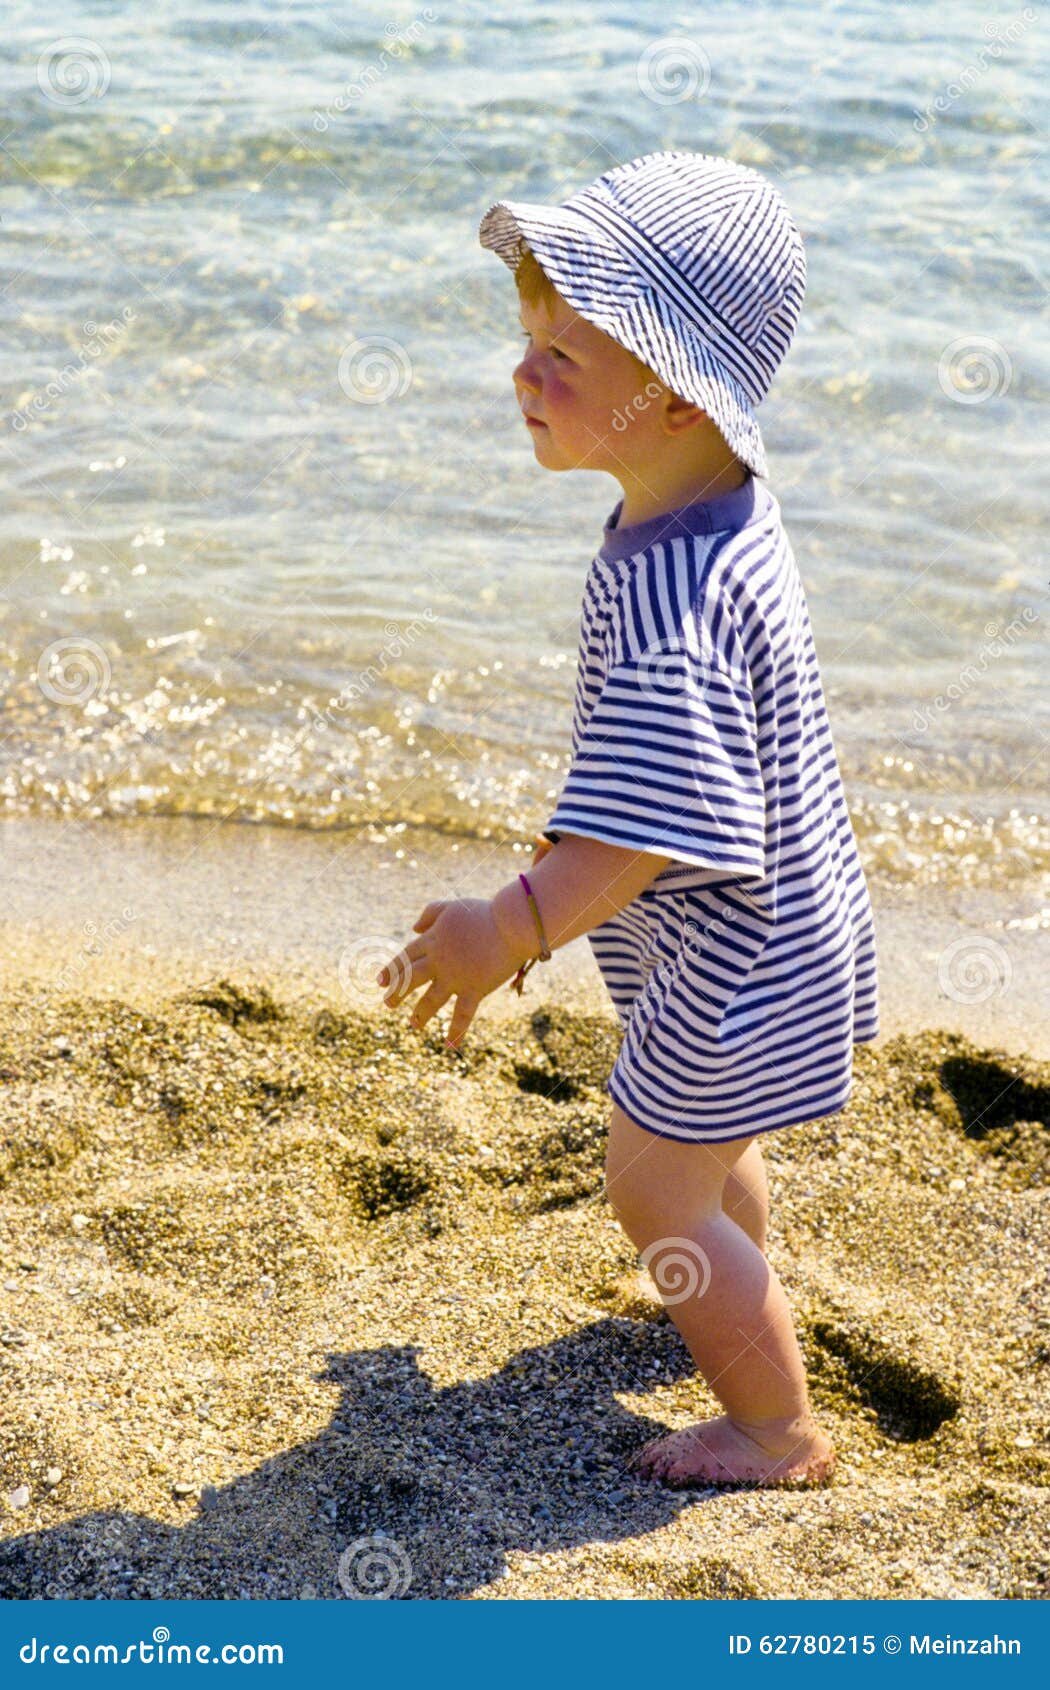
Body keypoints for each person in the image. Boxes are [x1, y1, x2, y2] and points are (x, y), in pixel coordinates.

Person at [376, 151, 879, 1488]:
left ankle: (776, 1427)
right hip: (779, 926)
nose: (521, 374)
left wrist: (509, 925)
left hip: (736, 960)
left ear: (666, 386)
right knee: (704, 1154)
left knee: (653, 1185)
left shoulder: (668, 592)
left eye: (561, 353)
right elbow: (682, 769)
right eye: (525, 340)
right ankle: (731, 1288)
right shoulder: (716, 511)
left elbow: (646, 825)